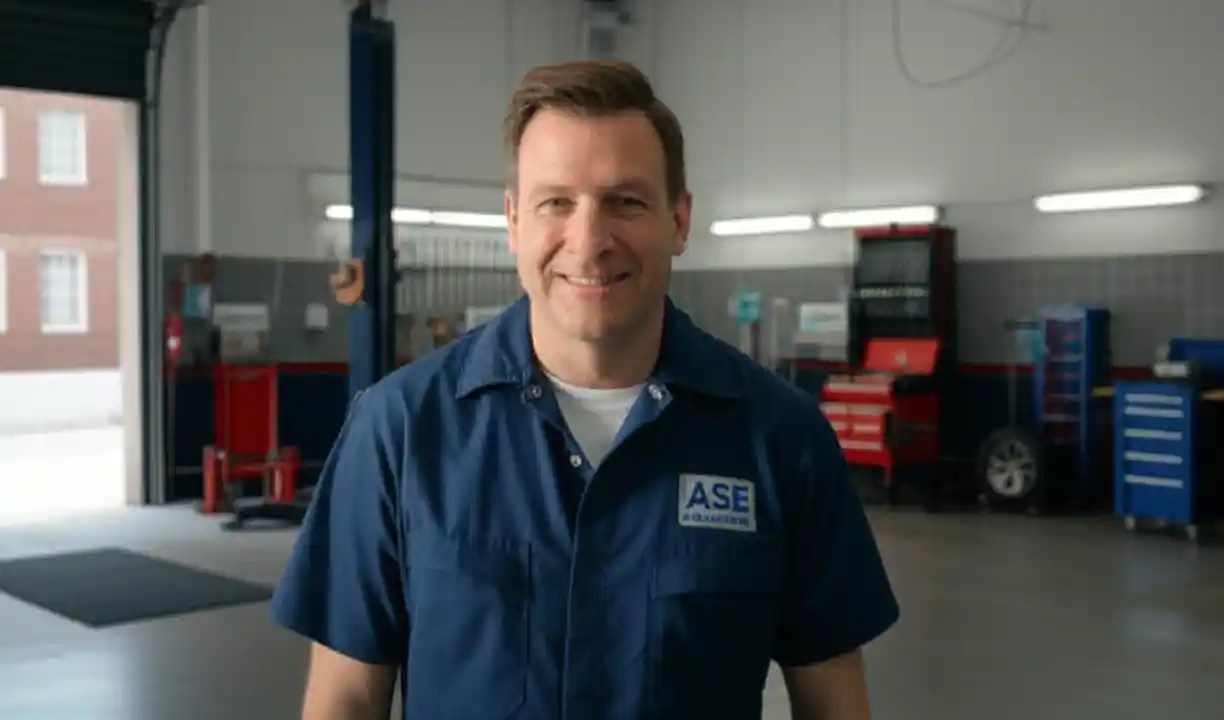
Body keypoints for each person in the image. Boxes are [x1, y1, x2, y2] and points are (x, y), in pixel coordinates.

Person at [268, 59, 899, 720]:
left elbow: (833, 699)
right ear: (514, 221)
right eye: (556, 203)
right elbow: (343, 697)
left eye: (626, 201)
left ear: (679, 220)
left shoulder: (782, 439)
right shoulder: (398, 431)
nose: (590, 241)